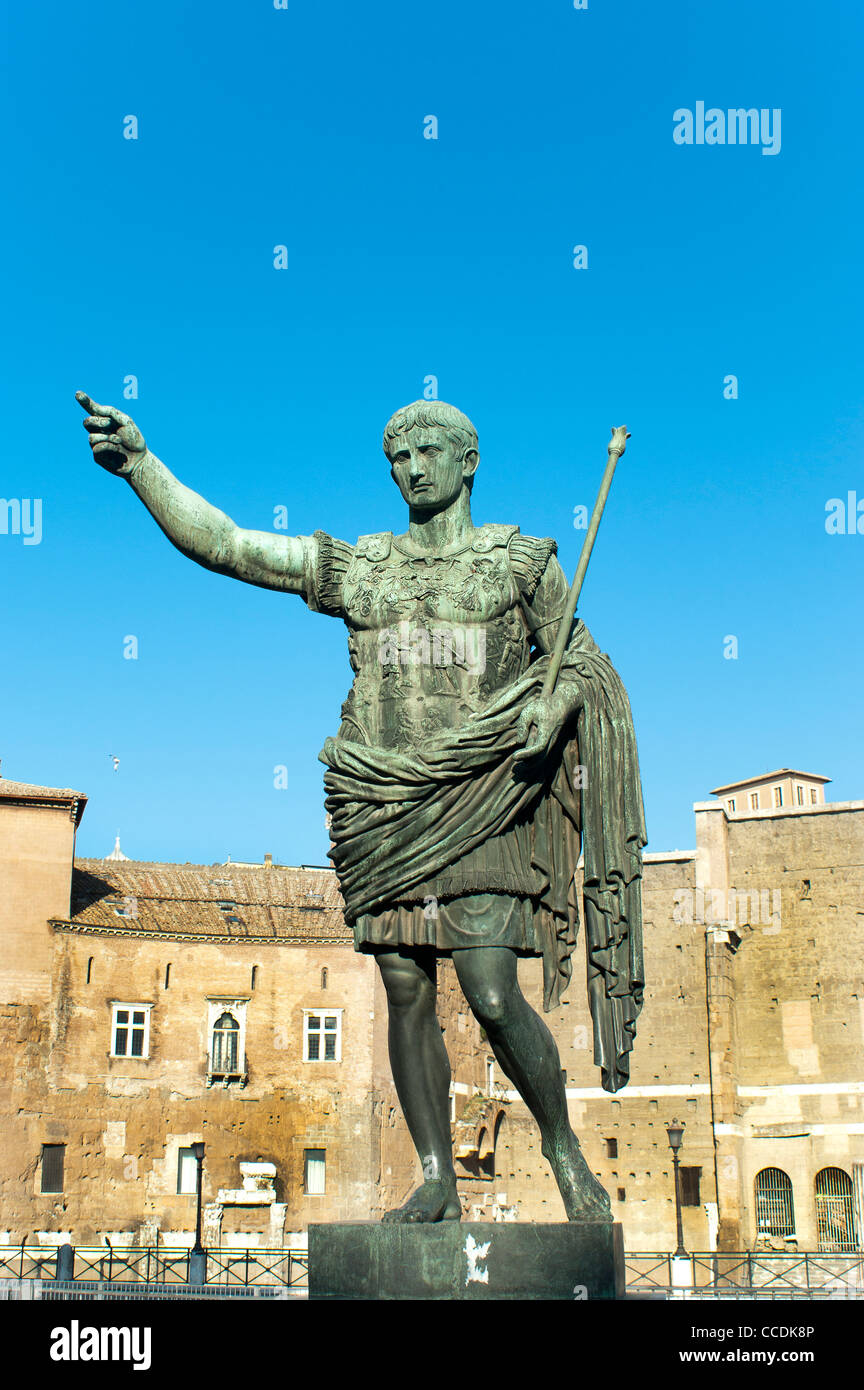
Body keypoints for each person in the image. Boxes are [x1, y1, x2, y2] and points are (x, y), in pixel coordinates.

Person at [76, 390, 646, 1223]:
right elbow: (228, 545)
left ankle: (564, 1154)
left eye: (427, 452)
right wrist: (140, 467)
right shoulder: (362, 567)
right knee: (405, 989)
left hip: (482, 798)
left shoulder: (520, 562)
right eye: (398, 457)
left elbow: (581, 661)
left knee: (490, 991)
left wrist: (555, 703)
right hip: (380, 803)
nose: (412, 468)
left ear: (468, 463)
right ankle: (435, 1178)